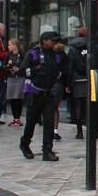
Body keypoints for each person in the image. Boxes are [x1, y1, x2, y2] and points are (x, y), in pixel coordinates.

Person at [20, 30, 68, 161]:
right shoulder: (33, 53)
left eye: (56, 41)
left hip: (49, 93)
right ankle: (24, 144)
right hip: (34, 93)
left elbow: (64, 69)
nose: (54, 43)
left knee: (49, 122)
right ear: (44, 41)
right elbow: (22, 71)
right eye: (52, 41)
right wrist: (35, 69)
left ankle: (47, 150)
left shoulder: (56, 55)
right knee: (31, 121)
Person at [4, 38, 26, 125]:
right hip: (11, 78)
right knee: (12, 98)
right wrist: (8, 69)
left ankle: (18, 118)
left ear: (15, 45)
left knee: (19, 98)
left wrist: (19, 69)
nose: (8, 46)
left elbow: (25, 65)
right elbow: (4, 66)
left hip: (20, 78)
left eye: (10, 45)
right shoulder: (8, 55)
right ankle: (15, 118)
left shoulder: (22, 55)